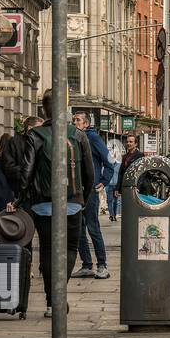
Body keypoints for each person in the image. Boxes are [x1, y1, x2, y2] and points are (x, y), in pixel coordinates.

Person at [3, 91, 95, 318]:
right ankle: (59, 295)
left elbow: (26, 173)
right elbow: (89, 174)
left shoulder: (35, 135)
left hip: (42, 205)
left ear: (43, 110)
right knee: (70, 249)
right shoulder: (78, 135)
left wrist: (19, 199)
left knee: (47, 251)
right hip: (72, 203)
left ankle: (51, 301)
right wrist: (83, 199)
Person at [72, 111, 113, 281]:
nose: (75, 122)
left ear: (87, 124)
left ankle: (102, 265)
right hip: (75, 190)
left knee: (92, 227)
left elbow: (109, 160)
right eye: (73, 119)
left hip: (89, 190)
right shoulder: (72, 137)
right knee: (79, 228)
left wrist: (104, 180)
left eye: (78, 120)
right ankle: (86, 265)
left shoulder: (92, 138)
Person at [105, 133, 124, 222]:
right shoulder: (107, 164)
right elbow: (103, 172)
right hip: (109, 184)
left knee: (115, 201)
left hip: (116, 184)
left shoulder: (120, 165)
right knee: (109, 201)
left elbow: (121, 174)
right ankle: (112, 215)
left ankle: (114, 214)